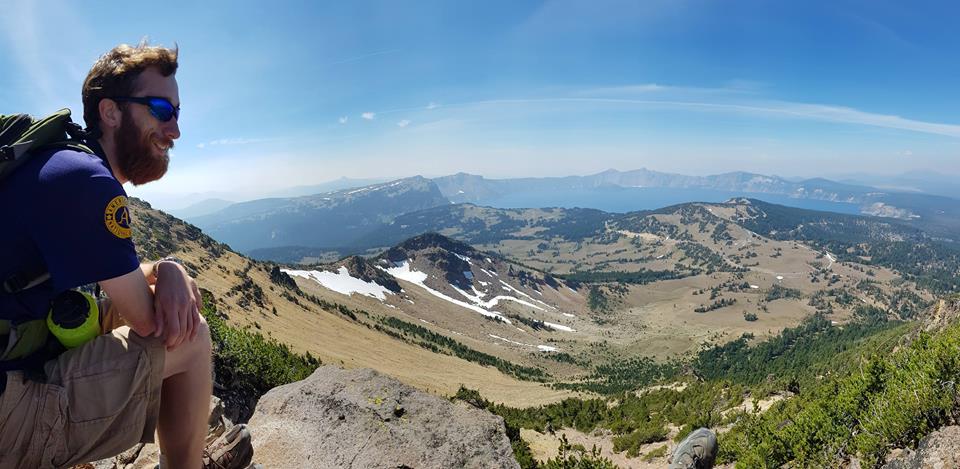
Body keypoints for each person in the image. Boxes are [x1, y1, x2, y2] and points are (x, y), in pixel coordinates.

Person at [0, 42, 250, 468]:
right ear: (111, 112)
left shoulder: (54, 163)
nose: (175, 130)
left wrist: (167, 268)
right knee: (188, 333)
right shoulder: (87, 182)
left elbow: (111, 273)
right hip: (9, 415)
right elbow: (150, 322)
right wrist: (170, 276)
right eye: (160, 109)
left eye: (177, 112)